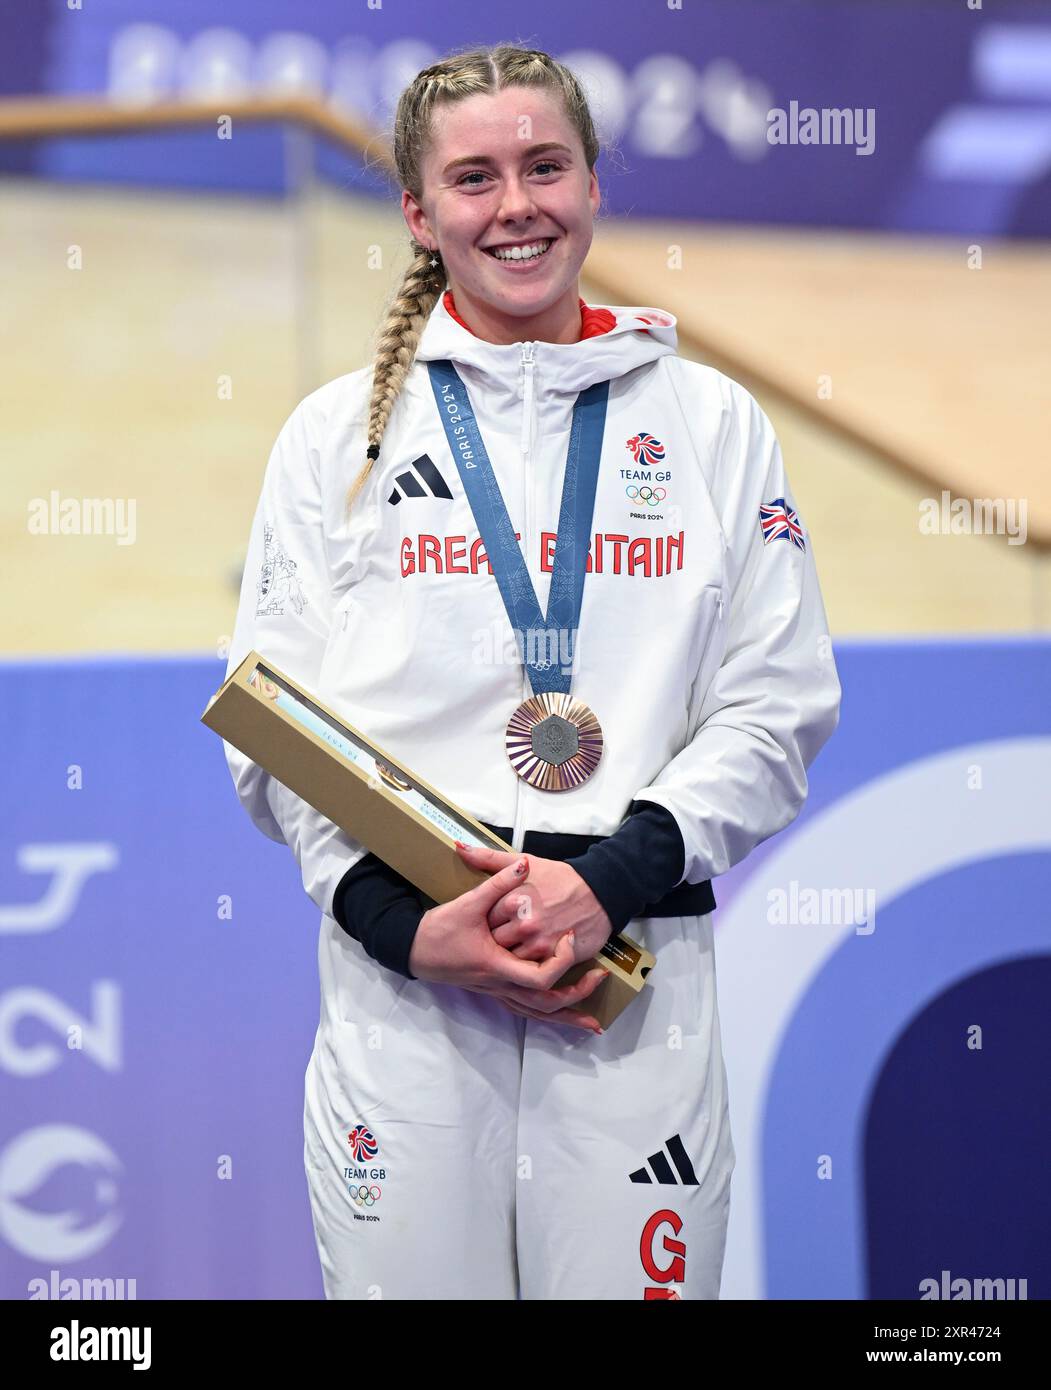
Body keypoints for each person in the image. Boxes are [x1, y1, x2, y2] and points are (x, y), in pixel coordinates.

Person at [221, 43, 841, 1300]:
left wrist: (605, 882)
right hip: (408, 1004)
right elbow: (274, 732)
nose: (516, 206)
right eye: (474, 178)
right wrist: (409, 931)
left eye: (545, 166)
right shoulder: (335, 435)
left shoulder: (713, 422)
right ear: (417, 211)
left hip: (630, 986)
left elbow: (777, 706)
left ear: (594, 184)